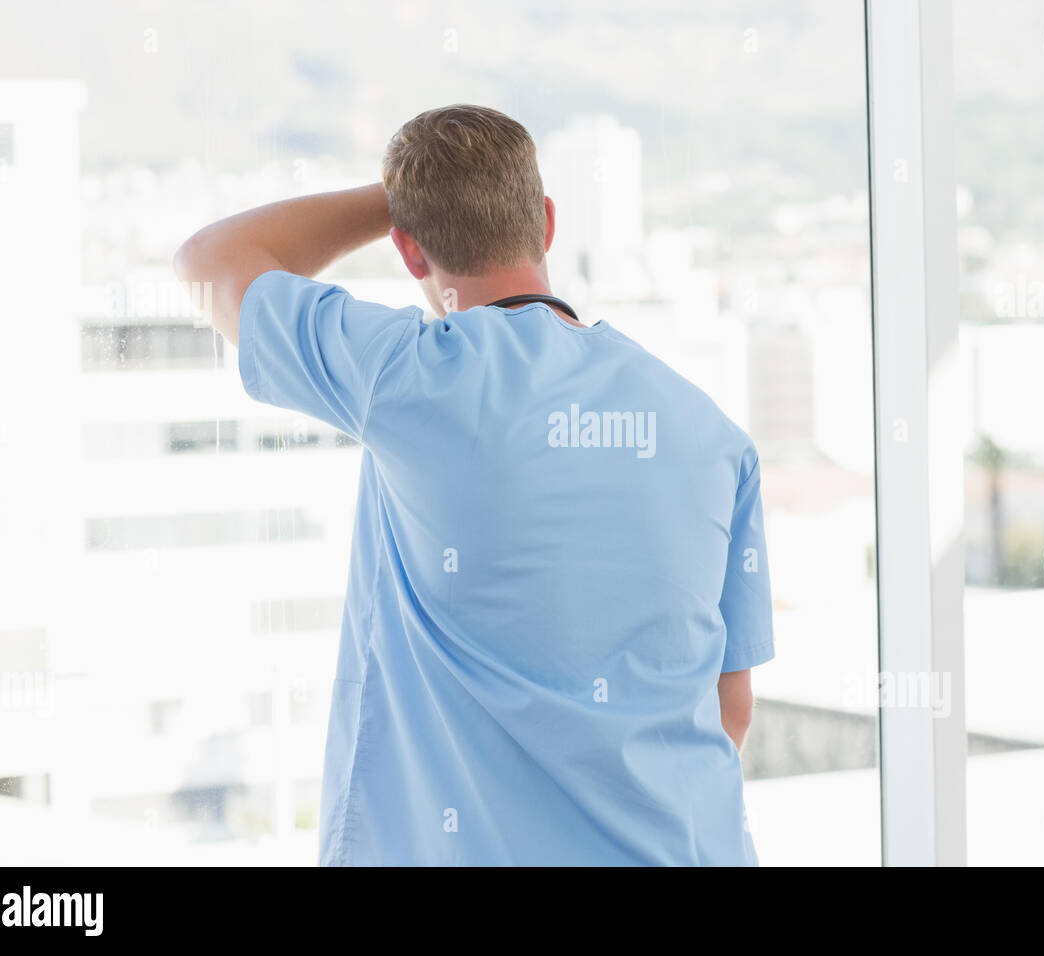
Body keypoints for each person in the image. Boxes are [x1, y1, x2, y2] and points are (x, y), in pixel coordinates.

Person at [173, 104, 774, 866]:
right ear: (548, 222)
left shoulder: (408, 377)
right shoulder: (710, 433)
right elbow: (732, 709)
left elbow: (209, 261)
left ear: (407, 250)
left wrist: (399, 196)